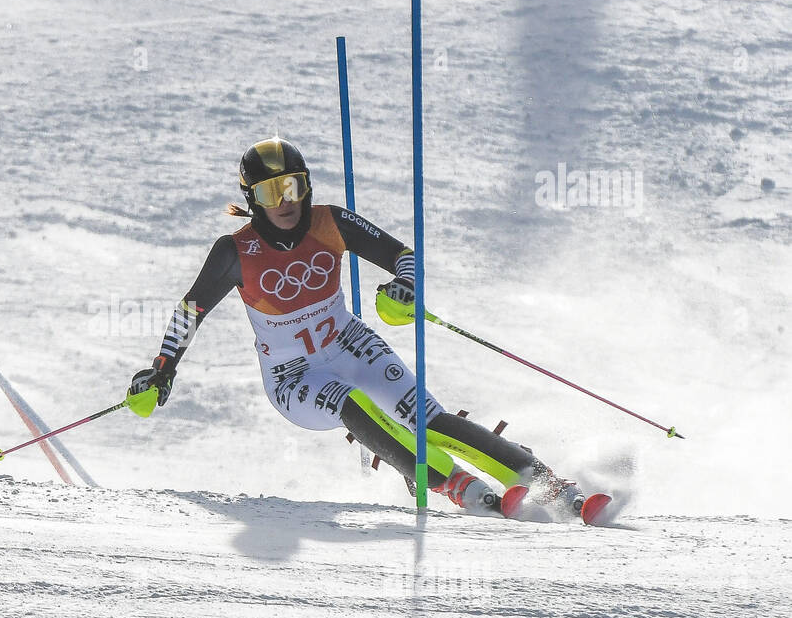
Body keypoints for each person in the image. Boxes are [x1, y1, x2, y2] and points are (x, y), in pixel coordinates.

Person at [127, 137, 587, 518]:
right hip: (293, 376)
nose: (285, 202)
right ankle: (453, 484)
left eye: (292, 186)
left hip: (348, 342)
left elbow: (403, 255)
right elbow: (191, 310)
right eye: (270, 193)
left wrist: (405, 285)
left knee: (427, 419)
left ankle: (550, 484)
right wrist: (161, 368)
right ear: (252, 199)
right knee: (351, 402)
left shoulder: (331, 221)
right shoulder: (234, 251)